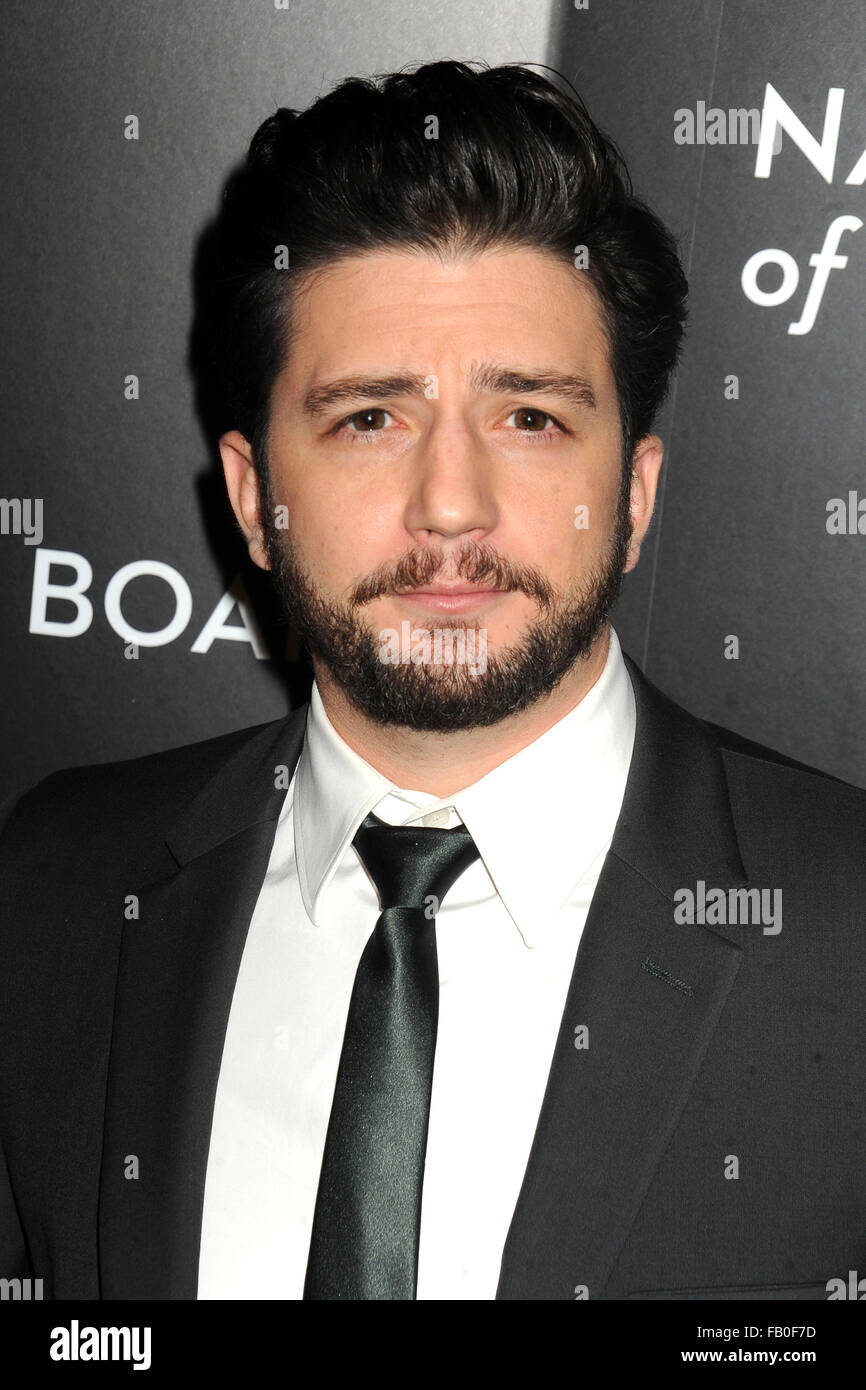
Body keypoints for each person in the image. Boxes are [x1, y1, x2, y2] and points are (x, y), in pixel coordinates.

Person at [1, 59, 864, 1303]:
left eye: (529, 418)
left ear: (633, 493)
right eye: (368, 419)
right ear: (254, 499)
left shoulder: (840, 924)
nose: (449, 504)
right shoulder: (55, 887)